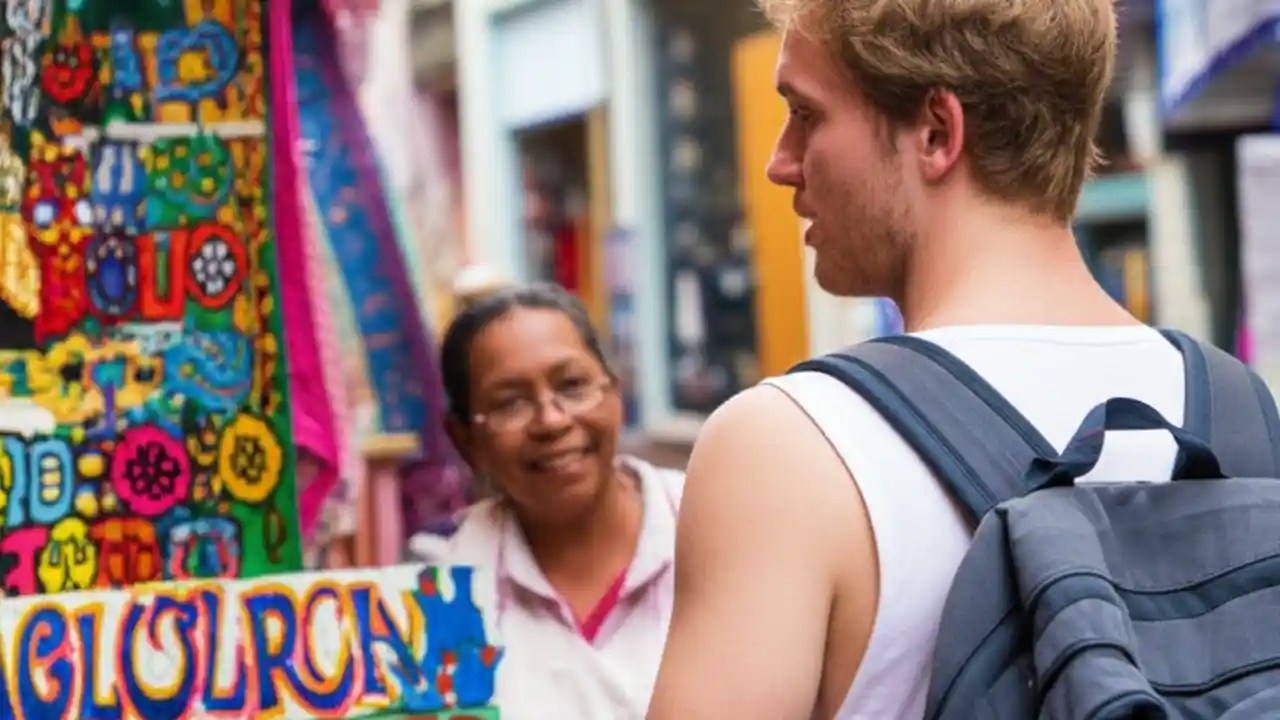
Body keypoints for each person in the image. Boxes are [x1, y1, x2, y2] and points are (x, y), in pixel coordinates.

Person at [646, 2, 1181, 718]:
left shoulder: (790, 449)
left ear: (936, 132)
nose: (781, 163)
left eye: (806, 114)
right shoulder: (1238, 414)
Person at [426, 282, 684, 718]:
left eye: (572, 386)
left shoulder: (710, 526)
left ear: (614, 394)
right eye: (510, 403)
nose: (551, 420)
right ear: (467, 440)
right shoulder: (440, 587)